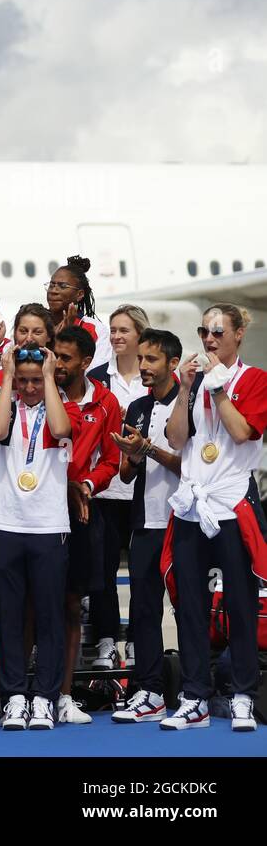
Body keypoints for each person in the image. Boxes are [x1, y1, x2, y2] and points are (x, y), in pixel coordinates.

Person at [162, 304, 267, 732]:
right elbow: (175, 438)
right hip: (192, 505)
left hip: (232, 504)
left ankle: (243, 694)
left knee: (240, 606)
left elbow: (243, 433)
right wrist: (186, 389)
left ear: (238, 334)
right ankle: (194, 697)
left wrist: (220, 390)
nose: (209, 339)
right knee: (190, 607)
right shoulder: (194, 378)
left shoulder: (255, 379)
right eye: (204, 331)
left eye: (218, 331)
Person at [0, 342, 77, 730]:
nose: (28, 388)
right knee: (8, 616)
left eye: (34, 381)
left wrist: (50, 376)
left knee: (48, 616)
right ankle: (13, 698)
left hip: (48, 525)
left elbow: (60, 429)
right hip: (5, 522)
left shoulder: (61, 406)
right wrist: (6, 375)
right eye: (22, 381)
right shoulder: (7, 403)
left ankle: (45, 697)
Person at [109, 328, 182, 724]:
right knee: (144, 611)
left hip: (183, 521)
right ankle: (150, 691)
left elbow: (192, 466)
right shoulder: (136, 407)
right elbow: (124, 474)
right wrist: (134, 456)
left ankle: (193, 690)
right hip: (145, 522)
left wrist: (150, 448)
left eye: (151, 360)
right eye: (141, 360)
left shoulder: (189, 404)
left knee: (188, 610)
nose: (144, 367)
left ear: (172, 363)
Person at [53, 324, 121, 724]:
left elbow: (112, 460)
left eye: (64, 358)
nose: (57, 364)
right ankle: (30, 693)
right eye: (55, 356)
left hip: (82, 511)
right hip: (42, 508)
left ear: (86, 362)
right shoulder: (42, 392)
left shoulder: (106, 401)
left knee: (72, 606)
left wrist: (88, 484)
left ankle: (63, 695)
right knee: (33, 606)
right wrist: (64, 486)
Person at [86, 304, 151, 670]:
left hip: (145, 492)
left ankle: (143, 641)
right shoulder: (97, 377)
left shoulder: (152, 377)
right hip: (107, 490)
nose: (115, 336)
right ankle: (108, 642)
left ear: (140, 334)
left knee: (144, 574)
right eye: (112, 330)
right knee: (103, 572)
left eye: (123, 330)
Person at [45, 256, 109, 371]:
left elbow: (95, 371)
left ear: (79, 294)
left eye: (62, 286)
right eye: (51, 285)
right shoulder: (35, 323)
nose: (53, 291)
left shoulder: (95, 329)